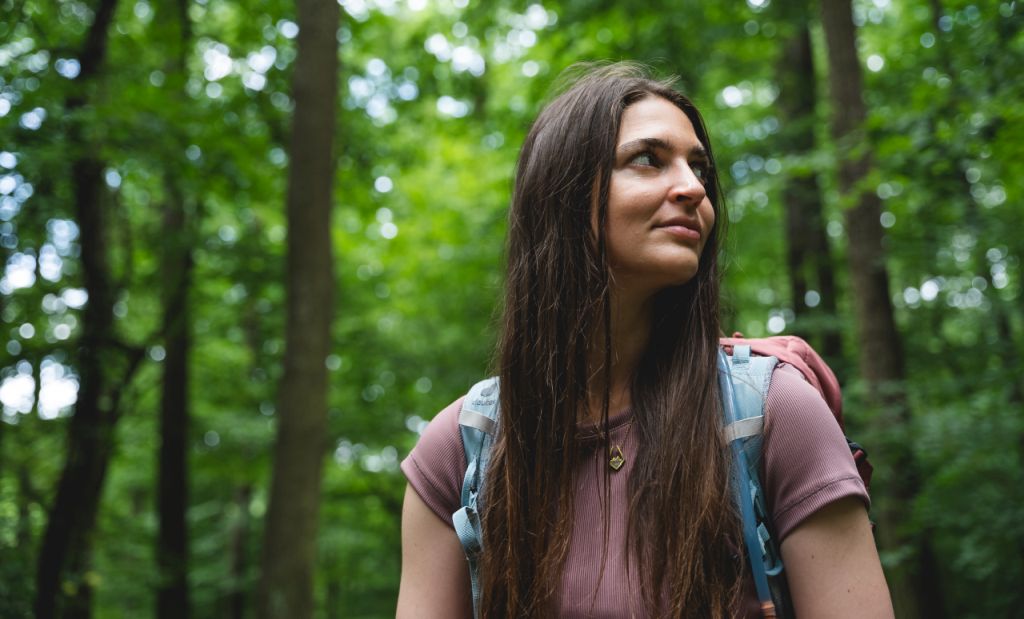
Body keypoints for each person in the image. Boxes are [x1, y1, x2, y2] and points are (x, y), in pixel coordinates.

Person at [396, 63, 894, 618]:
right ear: (562, 194)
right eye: (648, 160)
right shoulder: (462, 452)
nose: (692, 188)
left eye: (699, 167)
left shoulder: (772, 416)